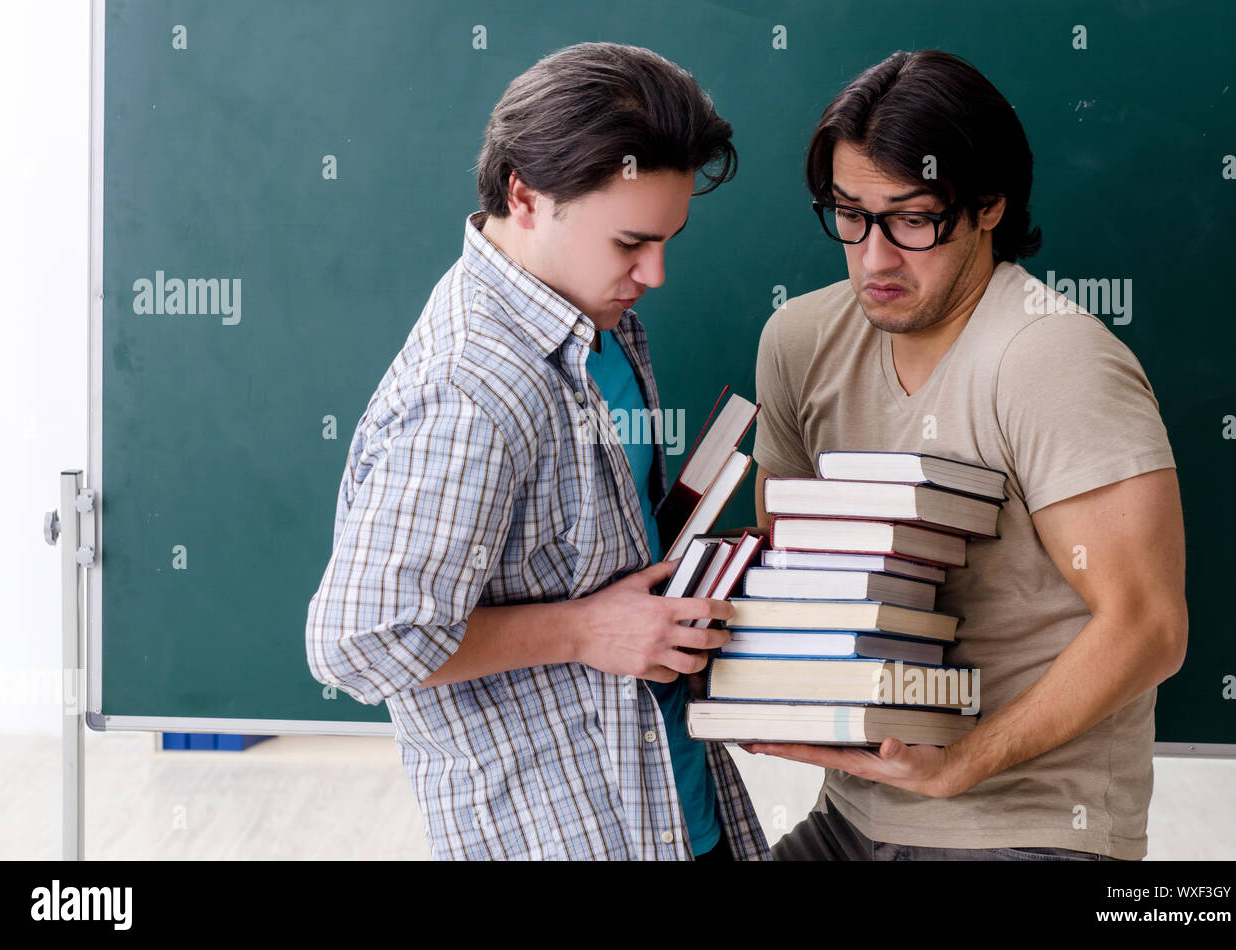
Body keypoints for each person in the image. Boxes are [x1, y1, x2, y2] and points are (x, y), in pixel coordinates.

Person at [304, 41, 769, 861]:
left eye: (668, 239)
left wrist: (679, 567)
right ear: (526, 196)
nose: (655, 273)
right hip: (567, 835)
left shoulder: (596, 309)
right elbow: (360, 640)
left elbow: (580, 550)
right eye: (631, 243)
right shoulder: (473, 389)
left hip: (674, 801)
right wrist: (586, 632)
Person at [744, 49, 1186, 861]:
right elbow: (795, 578)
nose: (874, 258)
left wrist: (961, 766)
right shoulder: (798, 341)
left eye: (913, 219)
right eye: (850, 214)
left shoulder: (1053, 361)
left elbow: (1151, 625)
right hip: (849, 817)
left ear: (988, 204)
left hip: (1024, 830)